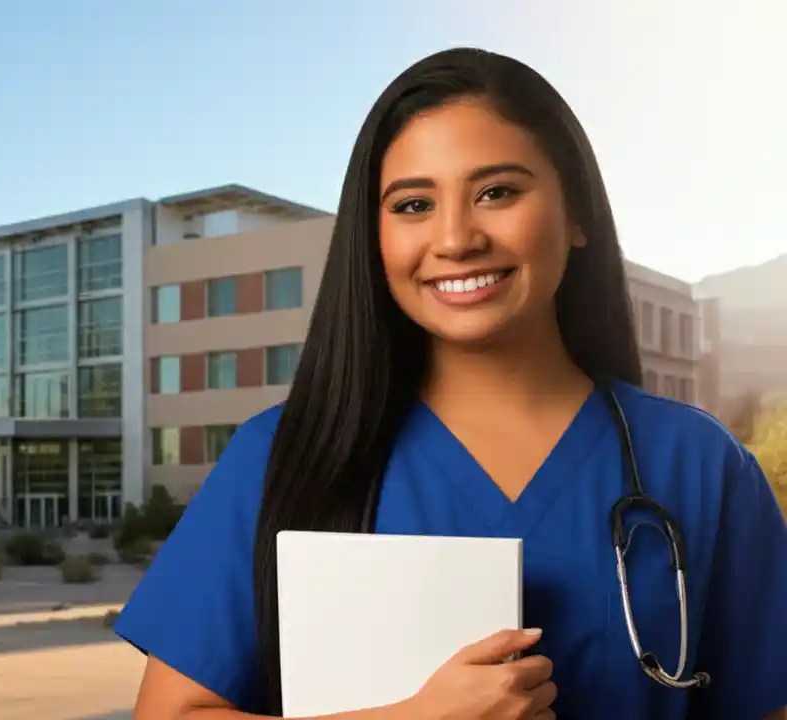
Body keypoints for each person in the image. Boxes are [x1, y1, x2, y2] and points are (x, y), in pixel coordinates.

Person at [113, 47, 787, 719]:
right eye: (412, 205)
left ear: (577, 213)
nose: (457, 239)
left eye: (497, 192)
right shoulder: (281, 455)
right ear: (373, 238)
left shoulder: (699, 464)